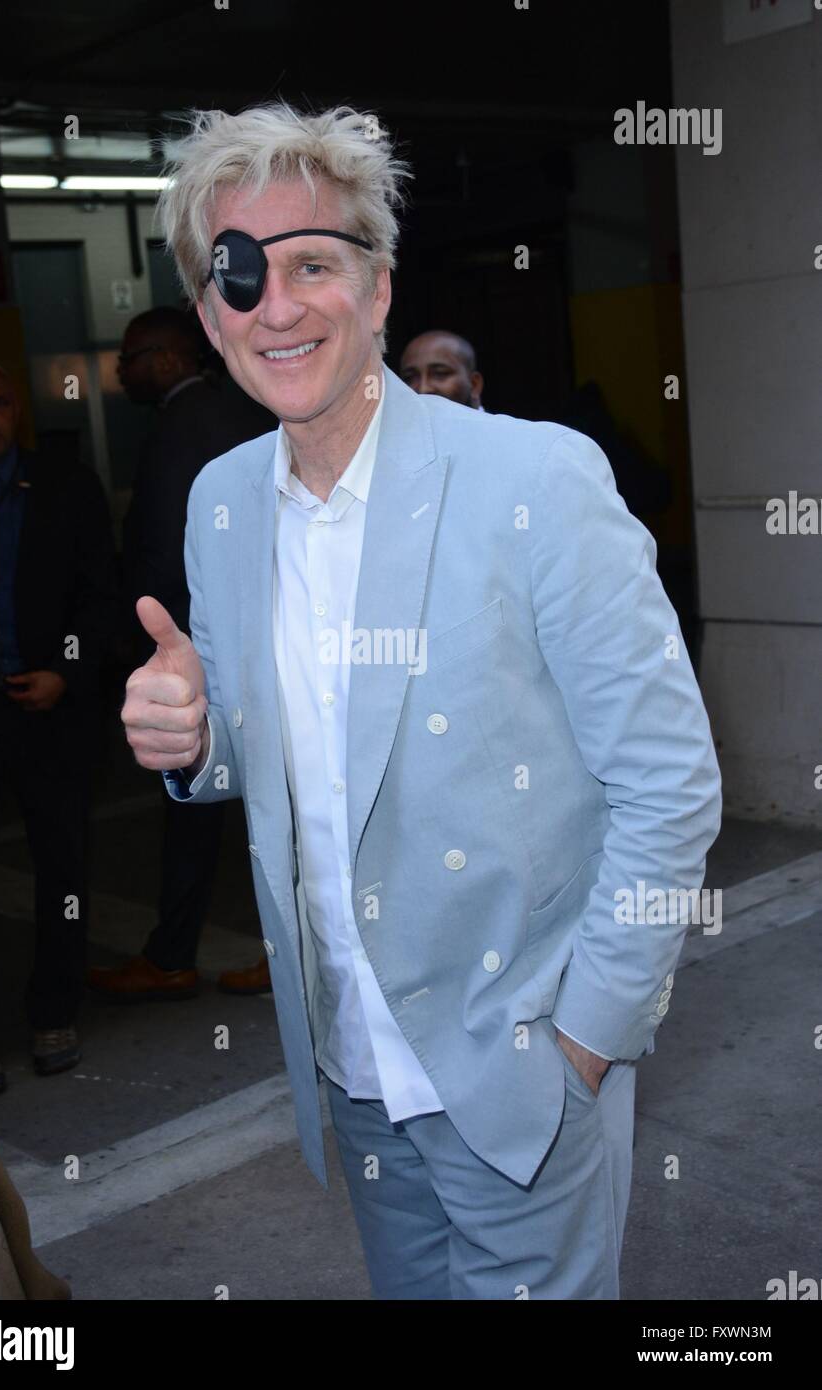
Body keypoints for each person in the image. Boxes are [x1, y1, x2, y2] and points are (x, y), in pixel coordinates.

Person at [120, 102, 722, 1300]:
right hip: (351, 1081)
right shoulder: (223, 503)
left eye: (311, 265)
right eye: (240, 281)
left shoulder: (533, 478)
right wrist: (194, 740)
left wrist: (587, 1039)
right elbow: (279, 765)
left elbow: (666, 780)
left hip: (522, 1078)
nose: (276, 306)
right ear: (208, 317)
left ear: (379, 288)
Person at [0, 362, 118, 1097]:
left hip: (44, 705)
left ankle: (53, 1015)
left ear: (18, 412)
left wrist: (65, 671)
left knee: (61, 867)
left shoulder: (62, 486)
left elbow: (100, 595)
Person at [88, 308, 275, 1003]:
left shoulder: (181, 426)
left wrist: (147, 646)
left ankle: (197, 953)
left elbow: (165, 550)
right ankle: (193, 950)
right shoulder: (237, 412)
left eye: (132, 356)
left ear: (168, 359)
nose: (120, 370)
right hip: (241, 641)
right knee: (237, 801)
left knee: (215, 800)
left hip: (202, 649)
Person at [399, 330, 485, 409]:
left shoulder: (495, 425)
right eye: (409, 378)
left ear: (474, 385)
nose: (423, 389)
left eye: (440, 374)